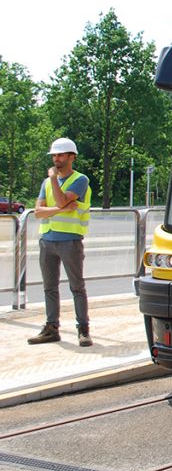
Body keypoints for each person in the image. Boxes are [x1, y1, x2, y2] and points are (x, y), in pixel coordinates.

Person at [28, 138, 93, 347]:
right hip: (47, 240)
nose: (56, 159)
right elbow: (38, 212)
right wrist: (60, 209)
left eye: (61, 155)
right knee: (49, 287)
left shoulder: (80, 180)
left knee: (77, 287)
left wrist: (55, 181)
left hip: (70, 241)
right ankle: (51, 328)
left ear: (72, 157)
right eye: (54, 155)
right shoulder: (46, 183)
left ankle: (83, 329)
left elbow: (63, 198)